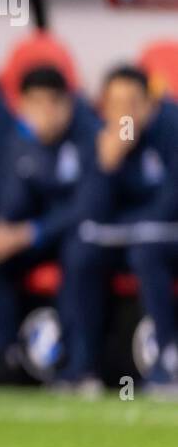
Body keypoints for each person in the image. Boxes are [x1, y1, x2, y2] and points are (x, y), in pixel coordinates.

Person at [59, 65, 178, 392]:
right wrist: (106, 165)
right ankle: (81, 367)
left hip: (164, 238)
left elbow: (169, 206)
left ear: (150, 103)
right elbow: (89, 214)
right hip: (124, 237)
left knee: (146, 251)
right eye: (116, 105)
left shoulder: (171, 127)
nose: (124, 113)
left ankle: (168, 360)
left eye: (132, 103)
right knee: (80, 252)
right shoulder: (99, 137)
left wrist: (121, 228)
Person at [0, 65, 98, 380]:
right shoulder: (18, 140)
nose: (44, 112)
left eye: (51, 103)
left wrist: (30, 233)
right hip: (36, 236)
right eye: (35, 103)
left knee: (79, 254)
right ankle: (5, 359)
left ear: (66, 104)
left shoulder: (89, 135)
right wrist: (2, 229)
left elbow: (87, 207)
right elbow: (11, 203)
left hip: (77, 234)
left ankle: (78, 366)